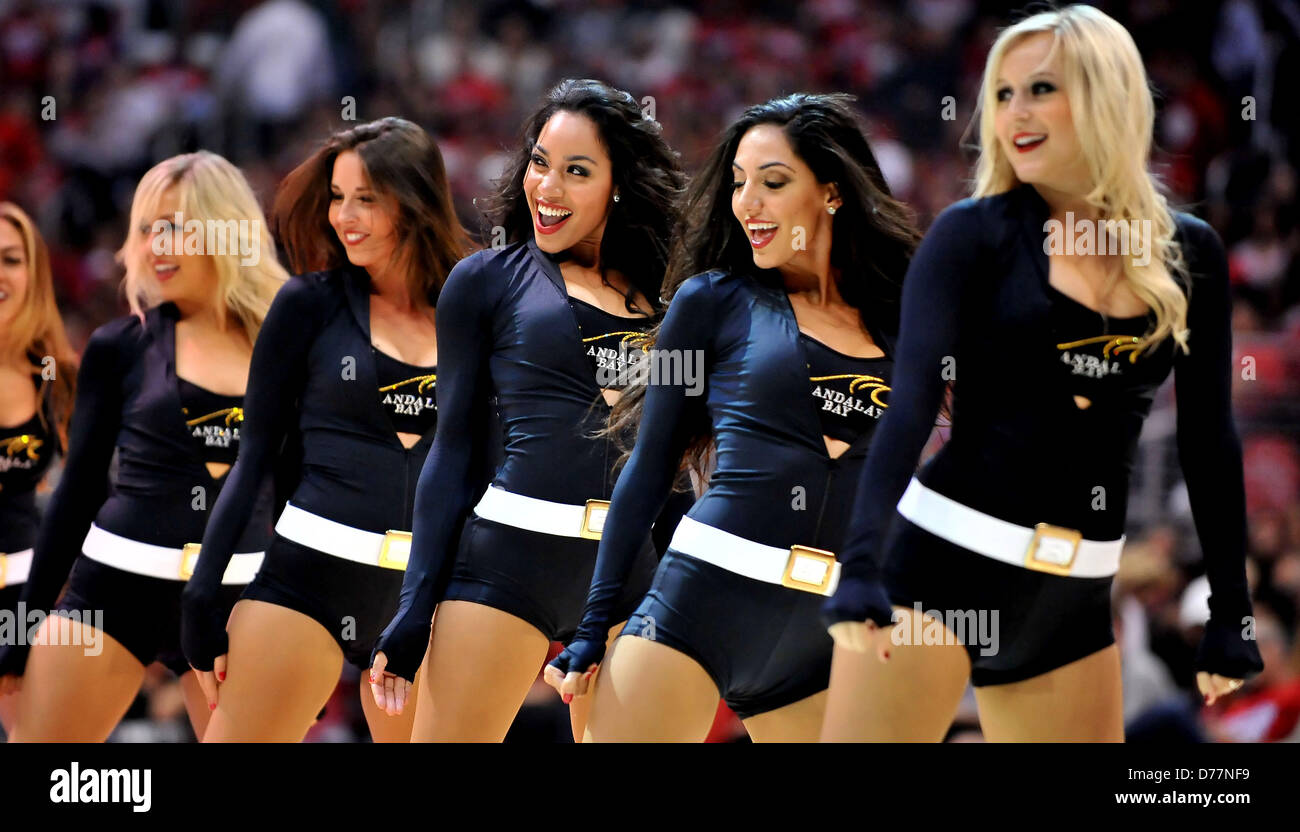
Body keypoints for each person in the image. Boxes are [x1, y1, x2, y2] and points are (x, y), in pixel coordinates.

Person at [820, 5, 1263, 742]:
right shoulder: (971, 236)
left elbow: (1210, 444)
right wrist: (859, 564)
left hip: (1076, 600)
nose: (1014, 114)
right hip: (937, 576)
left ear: (1105, 97)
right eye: (1002, 94)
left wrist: (1231, 610)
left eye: (1040, 90)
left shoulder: (1192, 254)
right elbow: (908, 409)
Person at [545, 93, 920, 741]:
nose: (747, 203)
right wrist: (592, 624)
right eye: (740, 184)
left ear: (832, 193)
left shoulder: (902, 315)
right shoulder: (711, 301)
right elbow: (648, 467)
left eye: (773, 183)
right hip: (701, 601)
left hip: (825, 631)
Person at [371, 79, 686, 741]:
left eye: (577, 172)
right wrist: (413, 607)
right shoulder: (487, 281)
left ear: (620, 185)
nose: (548, 187)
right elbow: (449, 452)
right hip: (507, 562)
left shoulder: (673, 300)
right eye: (540, 163)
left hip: (629, 576)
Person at [181, 118, 469, 742]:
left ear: (414, 201)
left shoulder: (472, 309)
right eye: (338, 198)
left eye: (367, 198)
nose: (345, 216)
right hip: (305, 579)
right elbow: (253, 459)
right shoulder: (306, 305)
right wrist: (203, 594)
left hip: (428, 602)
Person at [0, 153, 287, 741]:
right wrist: (21, 625)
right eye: (147, 228)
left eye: (177, 226)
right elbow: (77, 492)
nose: (157, 244)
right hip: (114, 589)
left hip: (237, 605)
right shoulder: (119, 347)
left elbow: (295, 490)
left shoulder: (285, 344)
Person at [0, 201, 77, 734]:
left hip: (26, 598)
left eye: (10, 259)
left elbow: (89, 496)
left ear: (33, 273)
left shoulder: (59, 377)